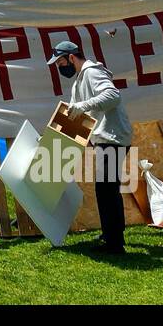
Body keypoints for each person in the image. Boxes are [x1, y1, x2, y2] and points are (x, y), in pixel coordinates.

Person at [46, 40, 132, 255]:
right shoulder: (80, 80)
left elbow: (113, 96)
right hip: (107, 138)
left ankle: (114, 243)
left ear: (71, 57)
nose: (59, 67)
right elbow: (75, 114)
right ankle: (113, 234)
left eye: (60, 62)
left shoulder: (92, 72)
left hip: (113, 138)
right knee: (108, 189)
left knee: (105, 190)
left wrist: (82, 106)